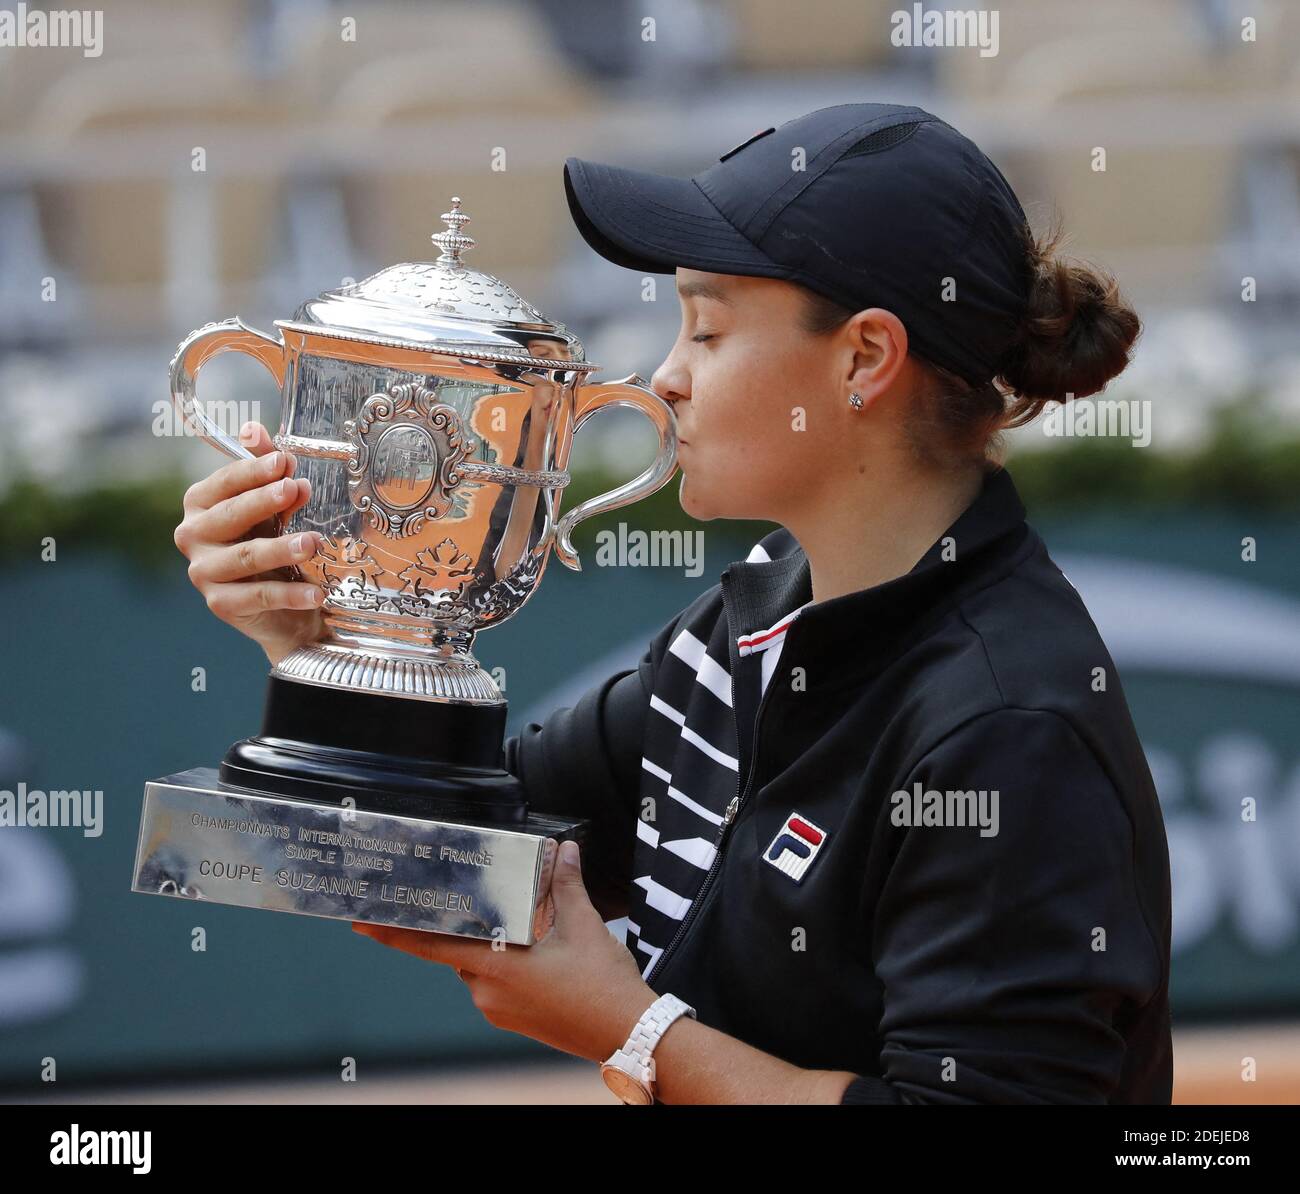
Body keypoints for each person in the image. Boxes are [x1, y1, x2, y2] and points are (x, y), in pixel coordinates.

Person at [173, 103, 1173, 1104]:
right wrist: (329, 641)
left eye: (707, 327)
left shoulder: (1005, 727)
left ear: (864, 358)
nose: (666, 376)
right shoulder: (741, 628)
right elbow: (448, 867)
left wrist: (636, 1032)